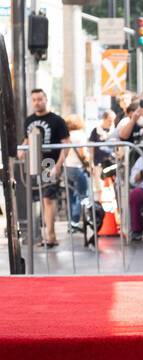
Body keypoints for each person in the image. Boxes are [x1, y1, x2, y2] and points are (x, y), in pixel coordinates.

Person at [23, 89, 71, 247]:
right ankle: (43, 235)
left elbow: (66, 144)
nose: (37, 102)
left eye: (40, 99)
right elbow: (26, 140)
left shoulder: (57, 120)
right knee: (37, 200)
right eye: (34, 99)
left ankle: (50, 236)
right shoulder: (29, 120)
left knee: (48, 199)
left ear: (46, 99)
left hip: (50, 162)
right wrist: (20, 152)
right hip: (33, 163)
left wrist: (58, 165)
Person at [63, 115, 92, 230]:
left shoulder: (66, 135)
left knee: (70, 197)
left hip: (67, 167)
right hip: (77, 167)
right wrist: (88, 163)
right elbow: (82, 152)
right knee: (82, 195)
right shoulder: (80, 135)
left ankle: (71, 222)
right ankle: (76, 222)